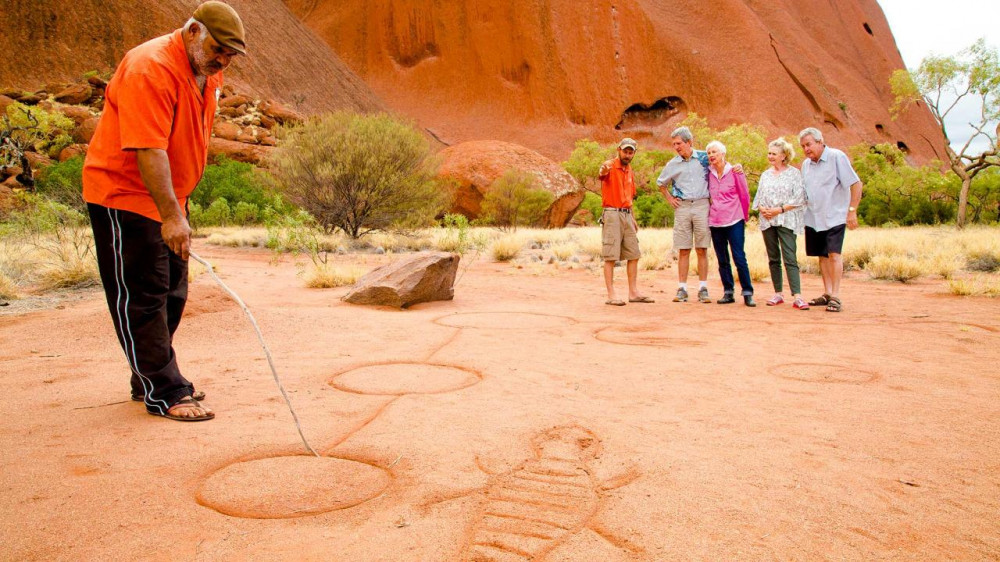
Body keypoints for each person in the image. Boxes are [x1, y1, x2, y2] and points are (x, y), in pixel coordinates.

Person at [82, 2, 246, 421]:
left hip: (169, 199)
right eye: (217, 48)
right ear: (193, 31)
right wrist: (172, 215)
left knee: (173, 290)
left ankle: (149, 376)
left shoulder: (206, 71)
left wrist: (179, 206)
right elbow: (148, 147)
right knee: (143, 294)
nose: (222, 59)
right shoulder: (150, 67)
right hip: (126, 196)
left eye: (229, 53)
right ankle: (164, 389)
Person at [798, 128, 863, 312]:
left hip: (834, 215)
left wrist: (852, 210)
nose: (806, 149)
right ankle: (826, 293)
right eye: (803, 146)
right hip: (813, 217)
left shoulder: (836, 157)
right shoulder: (806, 165)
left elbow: (856, 183)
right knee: (822, 255)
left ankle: (836, 295)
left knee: (834, 254)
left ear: (820, 141)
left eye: (809, 144)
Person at [656, 126, 713, 304]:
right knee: (683, 249)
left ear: (690, 142)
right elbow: (661, 183)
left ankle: (703, 288)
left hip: (703, 205)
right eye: (674, 144)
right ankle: (682, 288)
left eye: (679, 143)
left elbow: (721, 168)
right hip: (683, 207)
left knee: (702, 248)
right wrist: (669, 199)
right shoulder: (672, 164)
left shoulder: (705, 158)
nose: (676, 147)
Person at [752, 138, 809, 309]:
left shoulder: (794, 174)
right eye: (769, 153)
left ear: (784, 156)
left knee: (789, 256)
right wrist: (763, 209)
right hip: (767, 220)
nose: (770, 156)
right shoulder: (765, 175)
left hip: (786, 219)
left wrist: (779, 210)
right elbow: (759, 197)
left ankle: (797, 296)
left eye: (774, 154)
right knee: (773, 257)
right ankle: (778, 293)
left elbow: (799, 198)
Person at [597, 138, 653, 306]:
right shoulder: (609, 165)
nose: (628, 155)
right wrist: (603, 169)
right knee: (610, 255)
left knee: (633, 254)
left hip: (627, 213)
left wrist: (633, 218)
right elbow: (601, 173)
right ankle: (611, 294)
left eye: (631, 152)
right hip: (612, 213)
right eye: (625, 151)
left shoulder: (629, 170)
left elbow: (630, 196)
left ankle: (633, 292)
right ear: (618, 150)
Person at [705, 141, 754, 306]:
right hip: (715, 222)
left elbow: (745, 195)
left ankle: (747, 292)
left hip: (734, 220)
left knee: (739, 256)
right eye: (709, 153)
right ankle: (728, 291)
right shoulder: (708, 173)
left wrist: (744, 217)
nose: (712, 155)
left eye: (715, 152)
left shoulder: (735, 172)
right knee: (722, 259)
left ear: (723, 154)